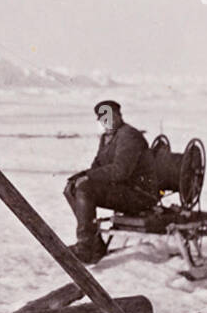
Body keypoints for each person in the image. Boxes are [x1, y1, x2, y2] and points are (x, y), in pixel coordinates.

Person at [63, 99, 157, 264]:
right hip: (124, 191)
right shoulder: (107, 138)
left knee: (85, 189)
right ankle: (95, 244)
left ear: (119, 116)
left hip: (140, 195)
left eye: (111, 116)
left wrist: (89, 178)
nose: (107, 121)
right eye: (103, 118)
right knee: (71, 187)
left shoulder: (129, 135)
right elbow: (98, 165)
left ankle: (86, 247)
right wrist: (81, 176)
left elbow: (120, 171)